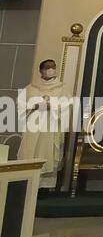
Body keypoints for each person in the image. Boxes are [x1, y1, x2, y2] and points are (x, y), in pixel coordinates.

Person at [17, 58, 64, 188]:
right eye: (47, 67)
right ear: (41, 70)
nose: (51, 70)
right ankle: (27, 183)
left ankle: (44, 186)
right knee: (30, 151)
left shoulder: (61, 88)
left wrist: (52, 106)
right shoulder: (31, 87)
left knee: (46, 151)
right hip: (33, 126)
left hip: (50, 126)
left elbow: (67, 105)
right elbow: (21, 105)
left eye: (53, 67)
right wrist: (34, 106)